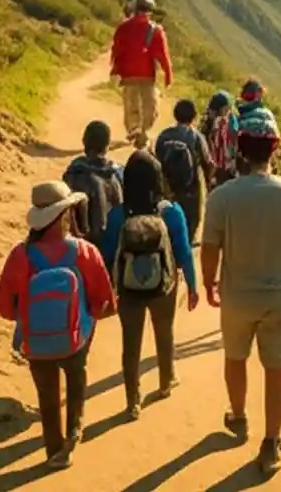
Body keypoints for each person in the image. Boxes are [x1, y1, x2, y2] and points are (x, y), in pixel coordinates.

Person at [201, 113, 281, 476]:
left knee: (235, 358)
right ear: (275, 147)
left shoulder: (221, 197)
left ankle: (238, 417)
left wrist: (208, 283)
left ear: (241, 149)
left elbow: (210, 248)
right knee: (276, 369)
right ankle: (271, 443)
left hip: (238, 296)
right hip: (280, 296)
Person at [0, 181, 116, 470]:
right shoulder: (84, 251)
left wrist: (27, 318)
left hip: (36, 341)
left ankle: (54, 451)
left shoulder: (20, 255)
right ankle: (75, 430)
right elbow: (103, 300)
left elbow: (4, 306)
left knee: (47, 395)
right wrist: (89, 316)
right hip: (76, 336)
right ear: (64, 215)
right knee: (76, 377)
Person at [101, 150, 201, 420]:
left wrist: (107, 288)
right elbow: (184, 252)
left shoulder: (117, 215)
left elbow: (108, 254)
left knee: (130, 342)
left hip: (128, 288)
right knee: (164, 331)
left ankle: (132, 401)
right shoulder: (172, 212)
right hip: (164, 285)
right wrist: (192, 286)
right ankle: (166, 381)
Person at [110, 0, 173, 149]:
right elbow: (163, 55)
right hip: (144, 77)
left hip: (132, 76)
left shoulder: (124, 28)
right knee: (149, 108)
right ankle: (140, 132)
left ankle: (136, 131)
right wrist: (168, 75)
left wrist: (115, 70)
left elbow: (116, 51)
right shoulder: (155, 31)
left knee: (134, 107)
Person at [154, 99, 217, 245]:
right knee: (190, 222)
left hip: (168, 187)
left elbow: (157, 159)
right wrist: (209, 181)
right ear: (194, 117)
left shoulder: (164, 135)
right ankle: (186, 246)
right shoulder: (196, 137)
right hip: (190, 188)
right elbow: (208, 163)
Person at [62, 121, 124, 247]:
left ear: (84, 142)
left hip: (78, 244)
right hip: (109, 245)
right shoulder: (115, 176)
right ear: (107, 146)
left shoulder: (74, 172)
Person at [201, 91, 240, 187]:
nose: (228, 111)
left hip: (213, 168)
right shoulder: (227, 122)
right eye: (226, 109)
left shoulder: (207, 123)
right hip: (223, 168)